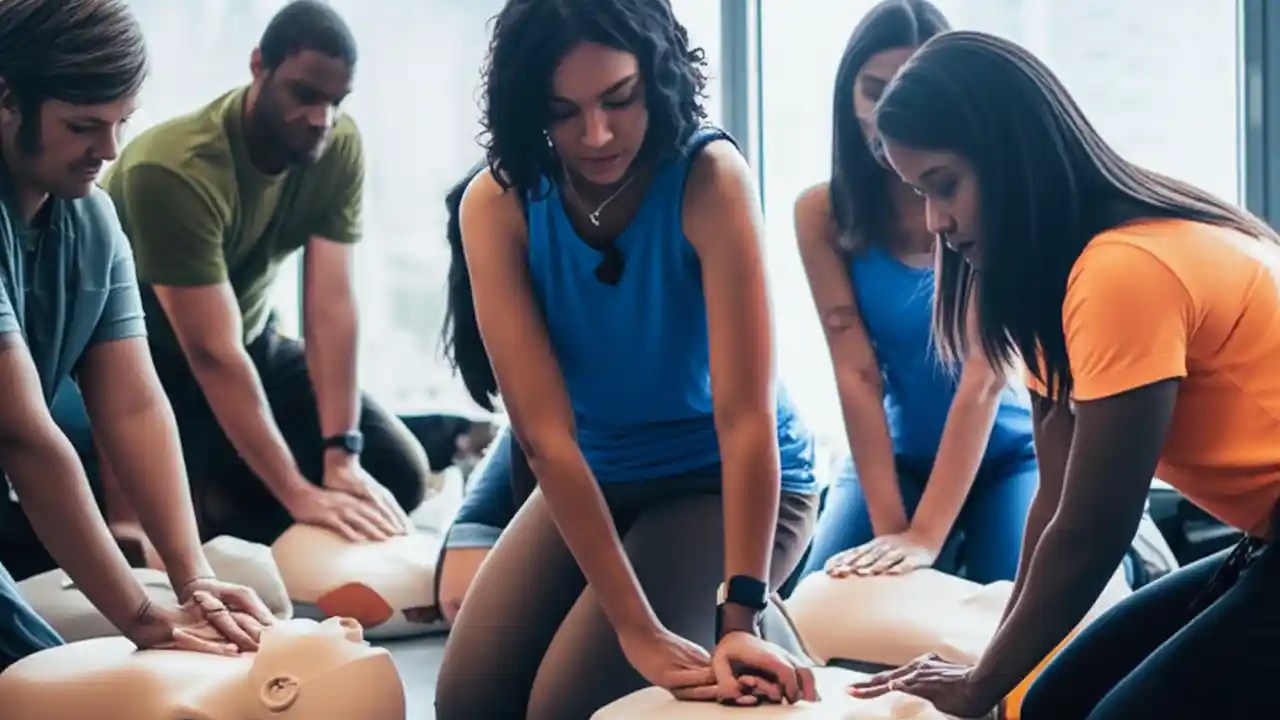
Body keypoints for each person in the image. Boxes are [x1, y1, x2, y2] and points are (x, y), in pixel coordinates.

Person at [850, 30, 1280, 719]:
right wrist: (993, 671)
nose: (937, 222)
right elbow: (1053, 502)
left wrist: (980, 686)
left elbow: (1096, 526)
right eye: (919, 193)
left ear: (1010, 158)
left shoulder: (1124, 272)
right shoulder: (1059, 282)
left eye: (944, 185)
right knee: (1051, 701)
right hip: (1266, 537)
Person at [434, 1, 822, 717]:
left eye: (620, 99)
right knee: (468, 702)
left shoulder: (710, 178)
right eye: (563, 112)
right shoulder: (496, 204)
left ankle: (766, 626)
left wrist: (735, 617)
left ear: (658, 76)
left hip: (719, 480)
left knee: (562, 708)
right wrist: (634, 627)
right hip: (597, 471)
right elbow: (546, 439)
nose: (598, 134)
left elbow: (745, 419)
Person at [0, 0, 276, 669]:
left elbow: (133, 406)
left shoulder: (90, 220)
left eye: (122, 120)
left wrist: (193, 578)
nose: (111, 149)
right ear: (6, 100)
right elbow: (25, 438)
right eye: (83, 126)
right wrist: (143, 617)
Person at [102, 0, 429, 548]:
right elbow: (210, 354)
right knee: (176, 541)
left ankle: (237, 490)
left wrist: (340, 454)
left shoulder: (337, 143)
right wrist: (297, 492)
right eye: (304, 95)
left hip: (255, 341)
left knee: (399, 475)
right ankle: (221, 495)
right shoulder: (175, 170)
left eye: (335, 101)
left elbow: (330, 306)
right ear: (259, 67)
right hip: (157, 362)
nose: (321, 118)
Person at [795, 0, 1036, 585]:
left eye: (906, 90)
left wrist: (925, 538)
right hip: (892, 462)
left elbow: (984, 375)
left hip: (1005, 456)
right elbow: (856, 375)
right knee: (825, 598)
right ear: (847, 98)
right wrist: (891, 535)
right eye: (873, 92)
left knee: (1011, 607)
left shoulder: (990, 202)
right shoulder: (820, 213)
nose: (888, 115)